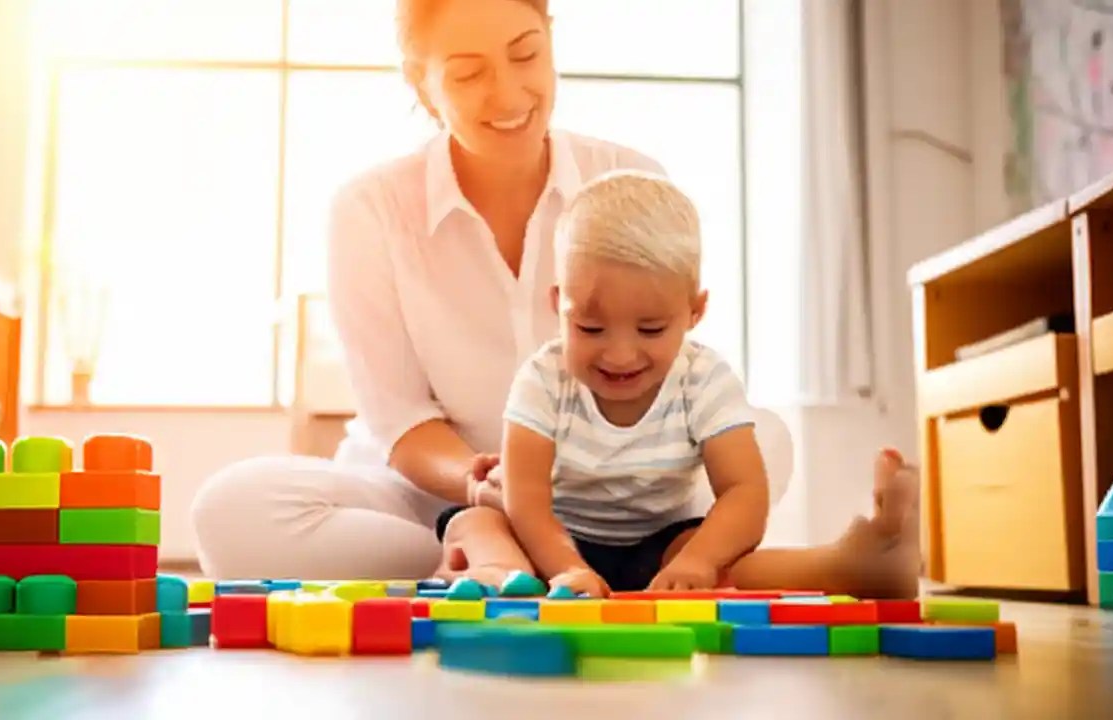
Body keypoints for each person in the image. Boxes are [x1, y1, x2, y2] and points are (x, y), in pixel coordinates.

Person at [189, 0, 920, 599]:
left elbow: (676, 374)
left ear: (550, 40)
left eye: (525, 54)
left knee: (765, 439)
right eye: (469, 72)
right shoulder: (371, 208)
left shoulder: (629, 177)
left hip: (618, 487)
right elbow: (400, 422)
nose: (507, 95)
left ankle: (508, 574)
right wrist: (484, 485)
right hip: (437, 487)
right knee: (228, 510)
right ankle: (499, 554)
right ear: (421, 82)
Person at [433, 170, 919, 598]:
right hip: (546, 543)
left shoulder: (703, 379)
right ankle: (500, 572)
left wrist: (698, 561)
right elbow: (527, 500)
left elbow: (745, 492)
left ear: (694, 311)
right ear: (559, 303)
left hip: (660, 548)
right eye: (590, 328)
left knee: (723, 558)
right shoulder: (543, 379)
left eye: (650, 330)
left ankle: (854, 565)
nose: (620, 354)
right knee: (478, 520)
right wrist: (567, 567)